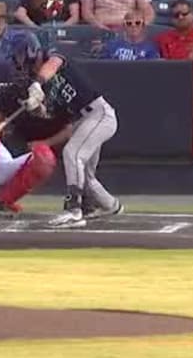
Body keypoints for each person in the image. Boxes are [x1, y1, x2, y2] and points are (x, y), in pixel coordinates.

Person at [10, 35, 122, 227]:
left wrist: (37, 84)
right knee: (85, 174)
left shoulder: (52, 57)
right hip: (83, 120)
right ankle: (110, 205)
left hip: (100, 114)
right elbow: (50, 113)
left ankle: (74, 210)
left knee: (72, 154)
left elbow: (53, 65)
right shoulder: (42, 84)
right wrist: (35, 107)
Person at [92, 10, 160, 60]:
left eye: (137, 23)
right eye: (129, 23)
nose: (133, 26)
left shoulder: (151, 48)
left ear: (143, 26)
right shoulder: (112, 45)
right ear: (124, 26)